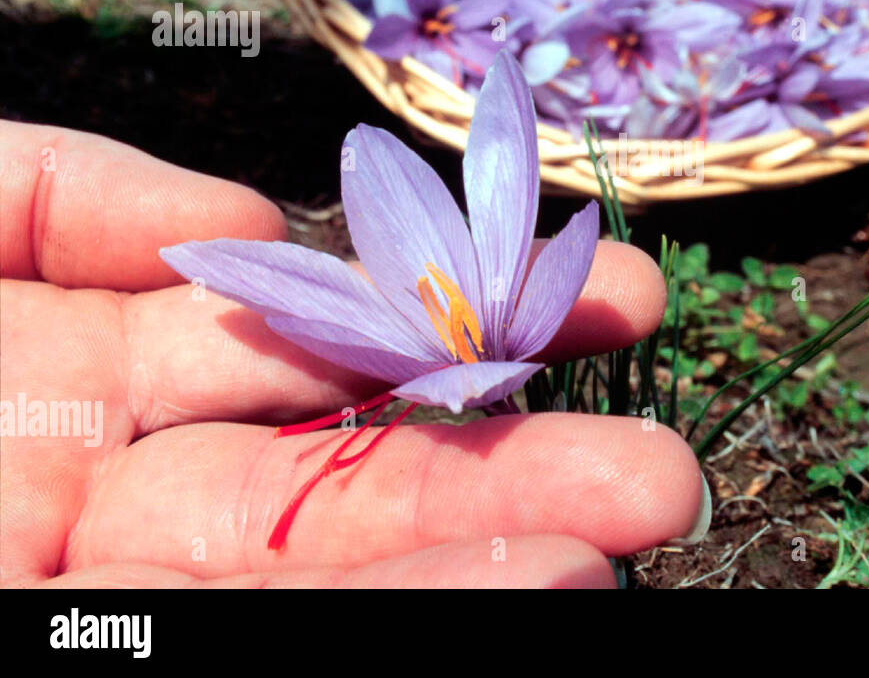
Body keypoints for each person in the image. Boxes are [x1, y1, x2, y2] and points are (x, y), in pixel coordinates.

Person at [0, 121, 707, 588]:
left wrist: (470, 377)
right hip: (447, 359)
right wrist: (461, 380)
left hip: (496, 344)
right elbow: (457, 383)